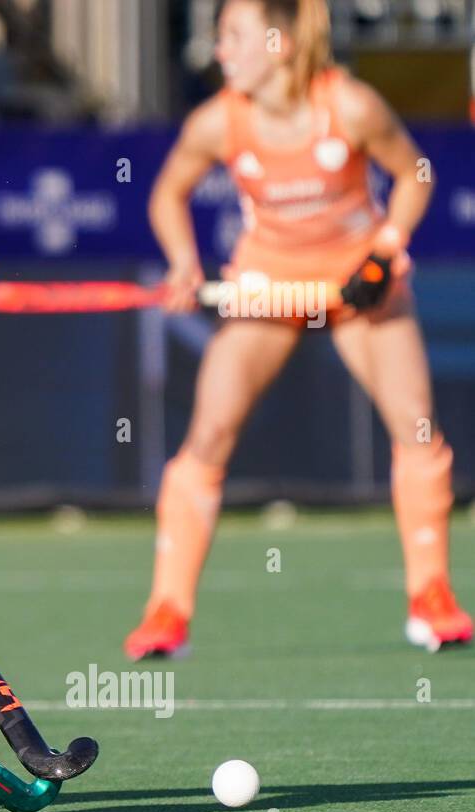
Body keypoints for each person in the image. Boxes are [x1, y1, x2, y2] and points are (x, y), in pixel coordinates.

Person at [124, 0, 470, 660]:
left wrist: (387, 250)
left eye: (233, 37)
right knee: (209, 434)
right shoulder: (218, 121)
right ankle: (167, 611)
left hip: (359, 282)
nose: (220, 52)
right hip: (266, 284)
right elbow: (167, 194)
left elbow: (415, 174)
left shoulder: (353, 106)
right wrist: (184, 262)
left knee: (417, 429)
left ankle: (432, 599)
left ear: (279, 45)